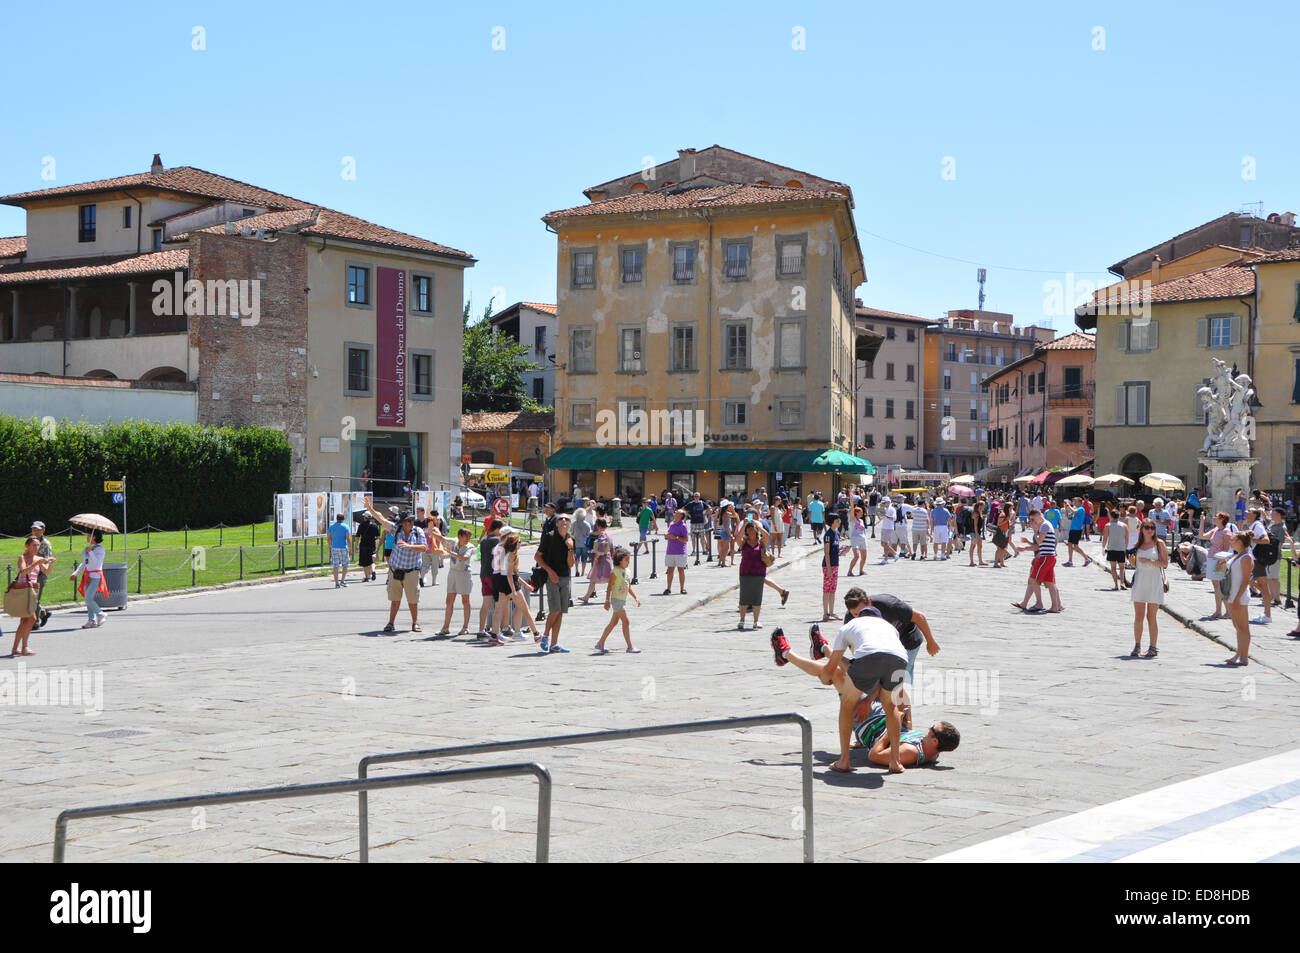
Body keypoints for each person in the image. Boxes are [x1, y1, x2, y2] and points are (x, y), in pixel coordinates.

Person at [822, 587, 911, 773]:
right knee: (891, 707)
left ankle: (844, 760)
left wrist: (825, 677)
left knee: (847, 703)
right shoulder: (888, 627)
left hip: (869, 657)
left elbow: (832, 667)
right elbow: (886, 659)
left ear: (859, 616)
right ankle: (895, 762)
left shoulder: (849, 626)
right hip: (900, 659)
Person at [363, 501, 428, 633]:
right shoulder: (397, 530)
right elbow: (381, 520)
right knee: (395, 599)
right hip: (396, 571)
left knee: (413, 600)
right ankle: (391, 623)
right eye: (407, 521)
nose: (410, 523)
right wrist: (370, 508)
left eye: (411, 520)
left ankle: (415, 623)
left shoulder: (418, 531)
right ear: (402, 523)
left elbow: (424, 547)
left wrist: (409, 546)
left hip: (412, 571)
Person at [535, 513, 575, 653]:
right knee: (555, 610)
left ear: (570, 524)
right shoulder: (550, 537)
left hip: (565, 578)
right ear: (557, 523)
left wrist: (570, 548)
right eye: (560, 519)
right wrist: (549, 571)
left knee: (561, 612)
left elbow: (570, 565)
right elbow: (538, 557)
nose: (564, 520)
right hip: (552, 578)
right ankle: (545, 635)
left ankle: (554, 643)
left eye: (567, 519)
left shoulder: (571, 539)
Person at [1128, 519, 1167, 658]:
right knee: (1138, 616)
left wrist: (1150, 561)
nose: (1150, 530)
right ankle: (1137, 645)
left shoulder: (1159, 544)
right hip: (1140, 581)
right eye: (1147, 527)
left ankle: (1153, 647)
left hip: (1154, 581)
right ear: (1142, 529)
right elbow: (1135, 565)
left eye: (1152, 527)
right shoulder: (1137, 545)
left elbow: (1165, 564)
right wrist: (1133, 562)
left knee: (1151, 617)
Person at [491, 532, 540, 644]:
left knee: (498, 609)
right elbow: (510, 574)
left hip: (502, 582)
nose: (520, 544)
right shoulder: (512, 555)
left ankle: (494, 635)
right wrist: (513, 590)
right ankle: (536, 634)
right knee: (526, 609)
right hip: (510, 583)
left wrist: (526, 585)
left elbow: (513, 574)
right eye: (519, 542)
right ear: (514, 544)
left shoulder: (506, 553)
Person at [7, 537, 53, 656]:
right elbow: (23, 572)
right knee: (31, 618)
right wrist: (35, 563)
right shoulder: (23, 558)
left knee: (25, 621)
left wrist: (51, 563)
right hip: (23, 590)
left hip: (32, 590)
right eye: (34, 545)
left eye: (38, 545)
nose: (36, 547)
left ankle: (17, 648)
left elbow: (47, 572)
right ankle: (24, 647)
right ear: (27, 546)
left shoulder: (39, 558)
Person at [1012, 510, 1062, 613]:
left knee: (1033, 580)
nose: (1032, 521)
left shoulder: (1044, 525)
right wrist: (1025, 548)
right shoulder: (1046, 525)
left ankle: (1039, 604)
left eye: (1032, 519)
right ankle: (1055, 606)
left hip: (1046, 557)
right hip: (1049, 557)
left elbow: (1039, 542)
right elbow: (1039, 546)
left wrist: (1035, 530)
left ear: (1038, 515)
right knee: (1050, 582)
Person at [596, 547, 641, 654]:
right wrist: (607, 601)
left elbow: (628, 587)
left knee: (613, 623)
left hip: (622, 600)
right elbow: (609, 587)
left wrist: (636, 598)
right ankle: (630, 646)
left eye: (629, 559)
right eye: (626, 559)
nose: (628, 562)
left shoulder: (628, 571)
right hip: (616, 600)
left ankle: (600, 643)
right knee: (626, 621)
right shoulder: (615, 572)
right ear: (619, 560)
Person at [1223, 531, 1255, 666]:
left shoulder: (1246, 558)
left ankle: (1244, 657)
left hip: (1239, 595)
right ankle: (1239, 653)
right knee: (1237, 626)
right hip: (1232, 594)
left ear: (1240, 542)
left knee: (1243, 627)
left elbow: (1245, 580)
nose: (1231, 541)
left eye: (1233, 539)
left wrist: (1237, 598)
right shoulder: (1237, 556)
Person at [436, 528, 474, 637]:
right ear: (460, 536)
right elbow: (442, 538)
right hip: (452, 573)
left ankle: (465, 627)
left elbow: (464, 557)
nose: (468, 539)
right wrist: (432, 531)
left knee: (465, 600)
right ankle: (445, 627)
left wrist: (451, 552)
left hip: (464, 574)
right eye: (466, 536)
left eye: (469, 536)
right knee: (449, 601)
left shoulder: (470, 547)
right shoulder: (453, 541)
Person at [737, 519, 772, 630]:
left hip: (759, 572)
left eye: (753, 528)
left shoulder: (761, 542)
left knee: (757, 597)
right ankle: (742, 620)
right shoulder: (744, 542)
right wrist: (743, 525)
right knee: (744, 597)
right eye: (749, 528)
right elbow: (737, 538)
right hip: (745, 572)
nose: (751, 529)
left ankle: (756, 621)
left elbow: (767, 536)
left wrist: (759, 526)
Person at [70, 529, 109, 629]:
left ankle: (100, 614)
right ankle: (92, 620)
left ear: (94, 537)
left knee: (88, 598)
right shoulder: (87, 549)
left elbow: (97, 563)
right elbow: (84, 563)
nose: (87, 537)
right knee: (88, 599)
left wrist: (91, 552)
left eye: (88, 535)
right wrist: (75, 573)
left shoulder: (100, 549)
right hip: (87, 576)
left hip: (95, 576)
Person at [476, 518, 502, 637]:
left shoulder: (483, 540)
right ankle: (497, 630)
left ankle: (481, 630)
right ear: (497, 528)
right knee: (499, 603)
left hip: (483, 573)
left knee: (485, 603)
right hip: (493, 575)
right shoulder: (497, 540)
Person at [29, 521, 55, 629]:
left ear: (43, 530)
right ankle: (43, 614)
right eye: (34, 529)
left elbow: (47, 560)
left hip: (40, 574)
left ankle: (35, 623)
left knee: (34, 598)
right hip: (30, 572)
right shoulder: (31, 541)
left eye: (38, 529)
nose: (35, 531)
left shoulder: (46, 544)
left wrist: (39, 567)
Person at [580, 518, 614, 603]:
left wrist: (597, 557)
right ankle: (586, 596)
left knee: (598, 578)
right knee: (597, 578)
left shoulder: (602, 534)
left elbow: (602, 546)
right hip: (608, 558)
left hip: (602, 560)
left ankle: (587, 597)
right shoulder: (608, 533)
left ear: (598, 526)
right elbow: (612, 547)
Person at [821, 513, 843, 621]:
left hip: (836, 564)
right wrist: (828, 568)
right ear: (832, 522)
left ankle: (832, 612)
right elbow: (827, 552)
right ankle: (825, 613)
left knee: (833, 589)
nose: (839, 522)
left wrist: (844, 550)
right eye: (837, 520)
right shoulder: (828, 535)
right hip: (828, 565)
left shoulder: (837, 533)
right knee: (827, 589)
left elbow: (836, 550)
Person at [663, 509, 690, 595]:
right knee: (670, 570)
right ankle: (668, 588)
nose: (675, 513)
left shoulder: (683, 526)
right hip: (670, 551)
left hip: (680, 551)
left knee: (680, 570)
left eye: (677, 513)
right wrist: (666, 535)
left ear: (681, 516)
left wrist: (676, 537)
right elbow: (668, 534)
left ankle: (682, 588)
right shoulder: (671, 523)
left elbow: (686, 539)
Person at [1103, 508, 1131, 591]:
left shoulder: (1108, 525)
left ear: (1111, 516)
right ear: (1118, 516)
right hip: (1121, 549)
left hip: (1111, 548)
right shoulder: (1124, 526)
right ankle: (1122, 583)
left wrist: (1103, 547)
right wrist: (1125, 547)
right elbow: (1127, 538)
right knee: (1122, 568)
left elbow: (1105, 538)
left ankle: (1116, 585)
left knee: (1113, 568)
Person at [1062, 498, 1091, 568]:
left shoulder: (1081, 509)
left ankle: (1086, 558)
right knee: (1070, 544)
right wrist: (1067, 510)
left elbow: (1074, 511)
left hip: (1077, 529)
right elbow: (1070, 517)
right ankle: (1070, 560)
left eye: (1075, 501)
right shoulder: (1075, 509)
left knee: (1075, 546)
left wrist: (1069, 506)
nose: (1074, 502)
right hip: (1073, 529)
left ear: (1079, 502)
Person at [328, 512, 353, 588]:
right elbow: (348, 539)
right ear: (343, 519)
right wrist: (350, 549)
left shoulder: (331, 526)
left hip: (334, 547)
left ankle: (336, 583)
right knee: (345, 565)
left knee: (335, 566)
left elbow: (329, 538)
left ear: (336, 518)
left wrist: (330, 546)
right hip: (343, 547)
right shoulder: (346, 527)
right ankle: (342, 581)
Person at [356, 514, 380, 582]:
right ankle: (373, 571)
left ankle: (367, 577)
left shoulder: (361, 525)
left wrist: (356, 546)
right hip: (372, 545)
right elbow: (378, 537)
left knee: (365, 562)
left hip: (363, 545)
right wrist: (373, 539)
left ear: (365, 517)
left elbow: (357, 536)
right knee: (371, 560)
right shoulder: (374, 525)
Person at [686, 492, 710, 560]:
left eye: (697, 496)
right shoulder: (691, 504)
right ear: (693, 497)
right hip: (693, 522)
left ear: (699, 497)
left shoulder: (702, 503)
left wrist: (706, 515)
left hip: (701, 522)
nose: (696, 497)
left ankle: (704, 550)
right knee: (693, 537)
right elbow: (684, 509)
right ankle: (694, 550)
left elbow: (709, 508)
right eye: (695, 496)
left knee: (702, 537)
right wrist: (689, 515)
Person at [846, 505, 868, 576]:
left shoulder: (861, 520)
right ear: (856, 513)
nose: (862, 513)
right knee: (856, 556)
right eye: (861, 512)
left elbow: (863, 530)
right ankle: (850, 571)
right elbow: (852, 510)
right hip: (855, 539)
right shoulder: (853, 520)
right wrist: (851, 500)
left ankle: (861, 571)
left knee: (864, 557)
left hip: (862, 539)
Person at [571, 507, 592, 578]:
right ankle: (583, 572)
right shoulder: (587, 524)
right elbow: (588, 534)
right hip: (584, 543)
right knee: (584, 558)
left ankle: (577, 570)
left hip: (577, 543)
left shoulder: (574, 524)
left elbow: (572, 533)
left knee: (577, 558)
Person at [967, 500, 987, 566]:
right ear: (980, 506)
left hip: (978, 532)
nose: (985, 507)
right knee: (973, 546)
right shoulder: (976, 513)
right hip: (974, 532)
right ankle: (971, 561)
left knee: (980, 546)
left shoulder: (980, 512)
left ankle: (980, 561)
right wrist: (976, 534)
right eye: (984, 505)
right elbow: (975, 525)